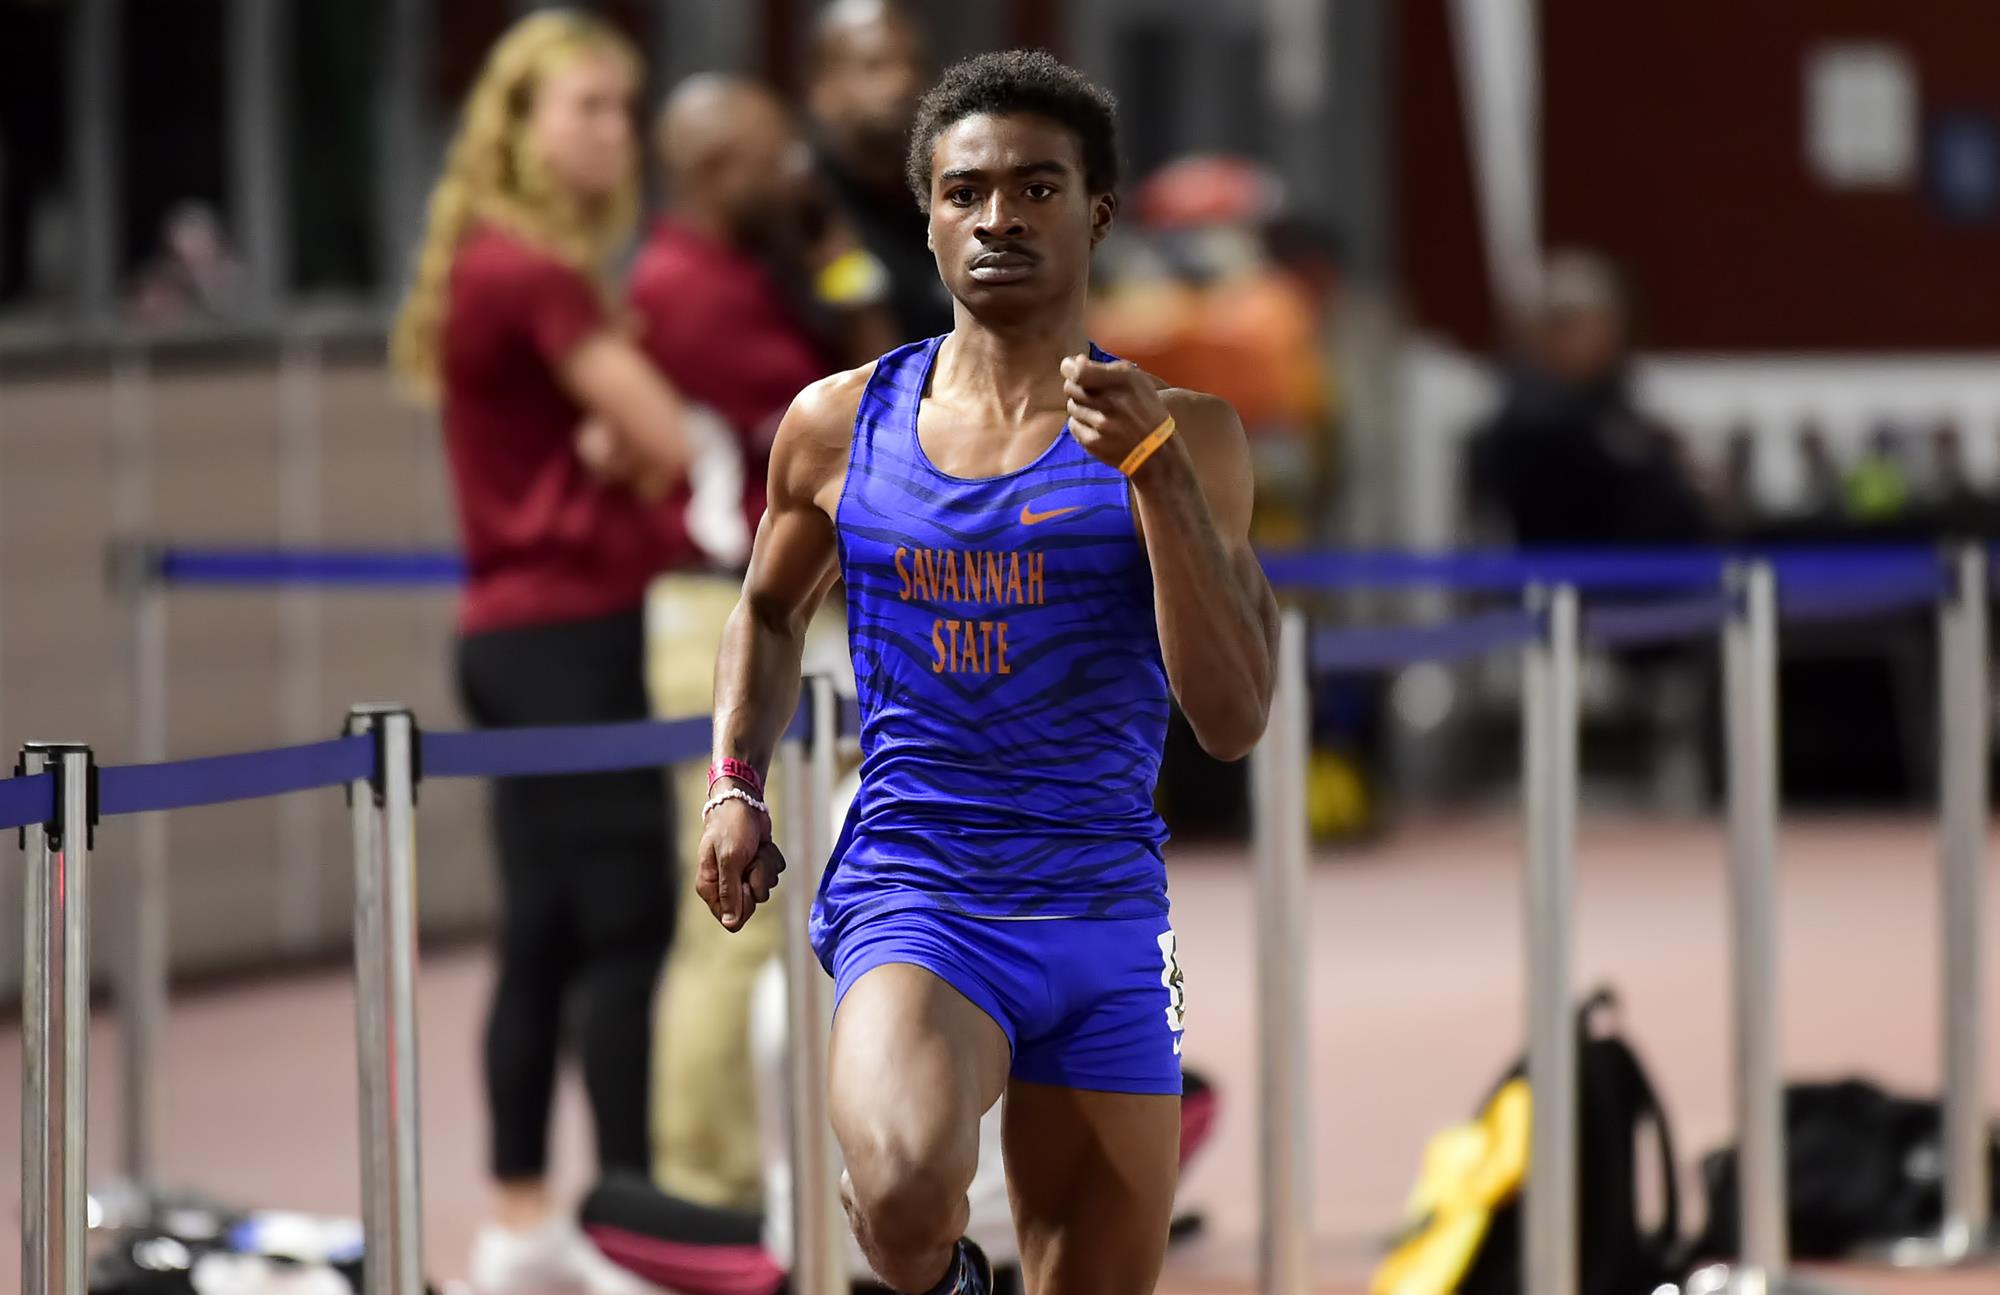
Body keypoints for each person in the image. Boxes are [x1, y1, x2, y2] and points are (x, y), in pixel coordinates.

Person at [697, 49, 1279, 1295]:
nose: (998, 218)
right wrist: (733, 782)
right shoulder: (837, 423)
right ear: (926, 214)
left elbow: (1230, 719)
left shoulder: (1193, 433)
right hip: (920, 896)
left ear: (1097, 213)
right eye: (965, 192)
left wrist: (1157, 475)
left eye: (1035, 187)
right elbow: (761, 607)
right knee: (904, 1192)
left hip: (1102, 916)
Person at [388, 12, 693, 1293]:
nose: (611, 133)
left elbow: (628, 438)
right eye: (584, 108)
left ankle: (531, 1218)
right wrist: (627, 443)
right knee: (618, 927)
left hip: (528, 632)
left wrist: (620, 446)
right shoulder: (533, 272)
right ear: (514, 125)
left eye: (621, 111)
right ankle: (614, 1221)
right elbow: (660, 429)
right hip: (559, 630)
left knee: (552, 932)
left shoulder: (492, 264)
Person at [623, 72, 860, 1209]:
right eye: (773, 155)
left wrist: (832, 253)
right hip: (722, 612)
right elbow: (861, 415)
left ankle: (789, 1169)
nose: (796, 172)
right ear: (715, 171)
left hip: (792, 609)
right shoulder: (683, 290)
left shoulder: (755, 274)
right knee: (726, 908)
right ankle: (701, 1187)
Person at [806, 0, 955, 343]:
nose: (902, 82)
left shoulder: (947, 192)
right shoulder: (803, 202)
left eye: (914, 64)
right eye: (874, 66)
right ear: (821, 87)